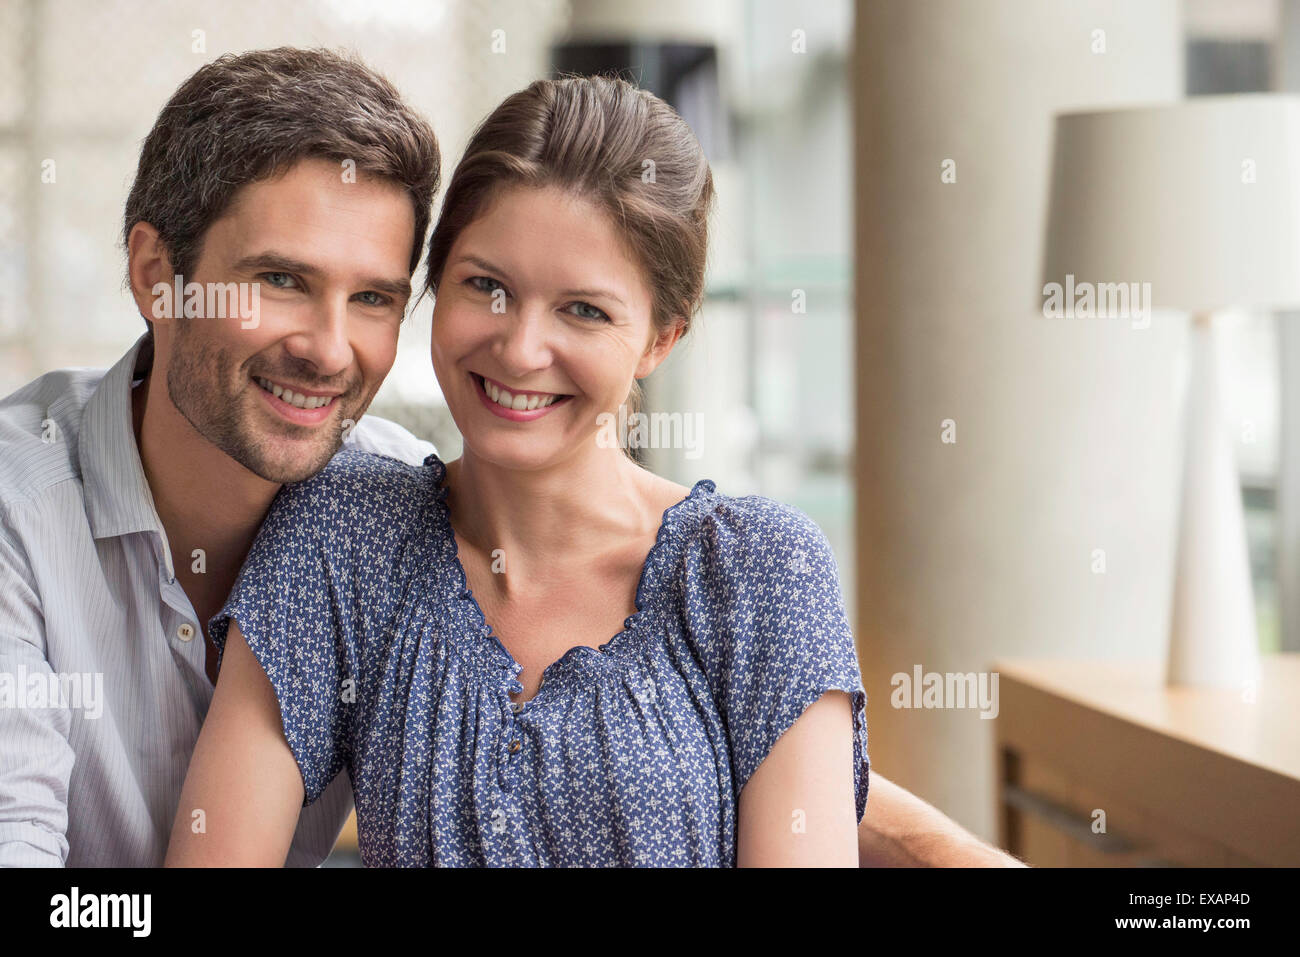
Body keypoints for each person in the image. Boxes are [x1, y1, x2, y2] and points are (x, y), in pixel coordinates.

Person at [165, 74, 870, 867]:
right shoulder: (343, 530)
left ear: (659, 339)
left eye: (584, 310)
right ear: (434, 284)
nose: (520, 348)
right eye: (487, 287)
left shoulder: (758, 570)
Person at [0, 47, 441, 866]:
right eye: (280, 279)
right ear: (156, 275)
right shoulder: (16, 511)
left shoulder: (406, 515)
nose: (329, 351)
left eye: (373, 298)